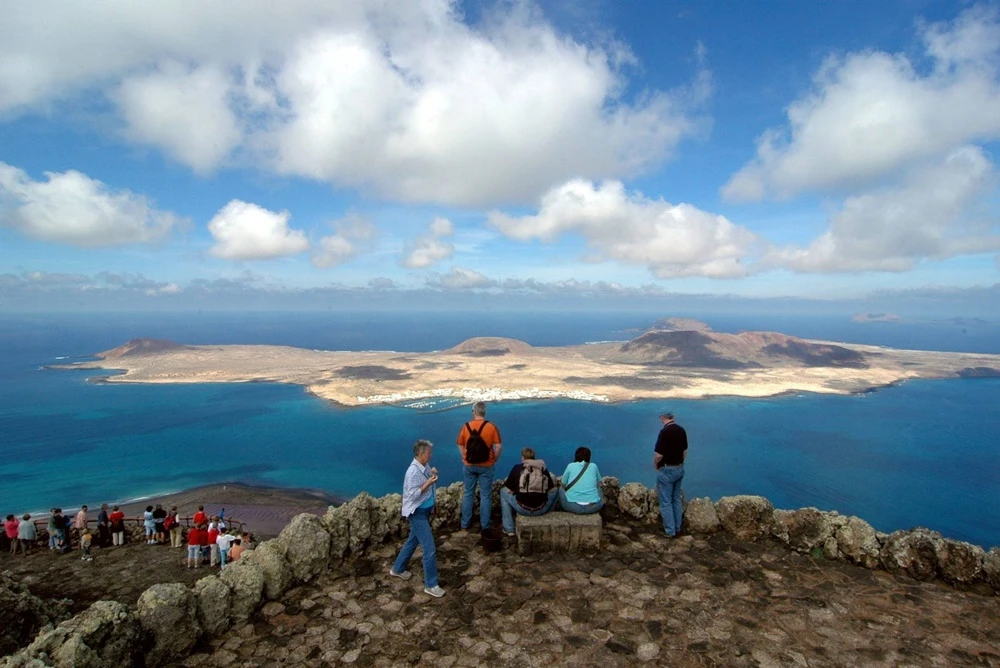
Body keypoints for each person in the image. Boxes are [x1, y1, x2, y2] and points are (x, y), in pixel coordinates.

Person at [391, 439, 445, 598]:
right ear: (421, 454)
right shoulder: (412, 472)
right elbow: (412, 495)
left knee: (412, 541)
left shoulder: (424, 466)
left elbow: (427, 476)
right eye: (428, 452)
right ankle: (431, 584)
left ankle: (398, 569)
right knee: (429, 548)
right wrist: (428, 483)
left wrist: (432, 473)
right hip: (417, 514)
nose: (430, 455)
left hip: (424, 511)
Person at [456, 401, 502, 531]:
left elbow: (460, 444)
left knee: (468, 493)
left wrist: (463, 457)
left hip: (469, 464)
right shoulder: (492, 427)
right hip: (487, 465)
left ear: (474, 412)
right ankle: (485, 525)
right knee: (486, 495)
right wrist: (495, 459)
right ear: (484, 412)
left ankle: (465, 524)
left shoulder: (466, 427)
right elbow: (498, 446)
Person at [499, 447, 557, 536]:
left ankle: (509, 528)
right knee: (556, 491)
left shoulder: (518, 468)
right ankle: (549, 514)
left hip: (523, 509)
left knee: (503, 492)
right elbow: (550, 489)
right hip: (541, 509)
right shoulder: (542, 469)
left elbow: (509, 489)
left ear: (523, 458)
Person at [654, 409, 688, 537]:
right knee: (676, 499)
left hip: (667, 469)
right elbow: (685, 450)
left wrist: (656, 465)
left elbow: (658, 455)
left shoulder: (664, 432)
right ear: (673, 416)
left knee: (666, 501)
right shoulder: (681, 430)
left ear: (662, 417)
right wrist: (679, 462)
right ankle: (678, 528)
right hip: (679, 468)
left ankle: (670, 530)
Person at [558, 447, 604, 515]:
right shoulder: (594, 466)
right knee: (599, 489)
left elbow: (563, 484)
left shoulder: (570, 466)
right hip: (592, 507)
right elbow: (599, 484)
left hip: (572, 507)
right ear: (589, 457)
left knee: (560, 489)